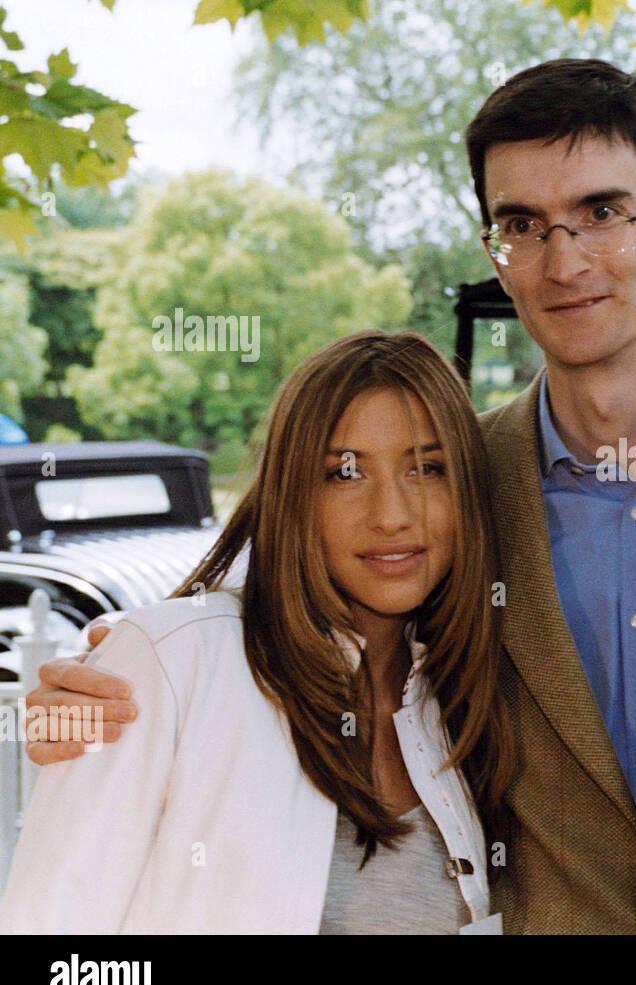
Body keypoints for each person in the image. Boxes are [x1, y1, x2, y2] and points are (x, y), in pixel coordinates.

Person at [26, 60, 636, 934]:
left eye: (602, 211)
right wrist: (115, 691)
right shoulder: (458, 480)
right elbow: (301, 601)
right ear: (496, 254)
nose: (565, 257)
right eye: (523, 223)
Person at [1, 331, 512, 933]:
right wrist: (137, 651)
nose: (393, 515)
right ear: (293, 494)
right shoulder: (171, 667)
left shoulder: (464, 706)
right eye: (345, 474)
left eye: (427, 469)